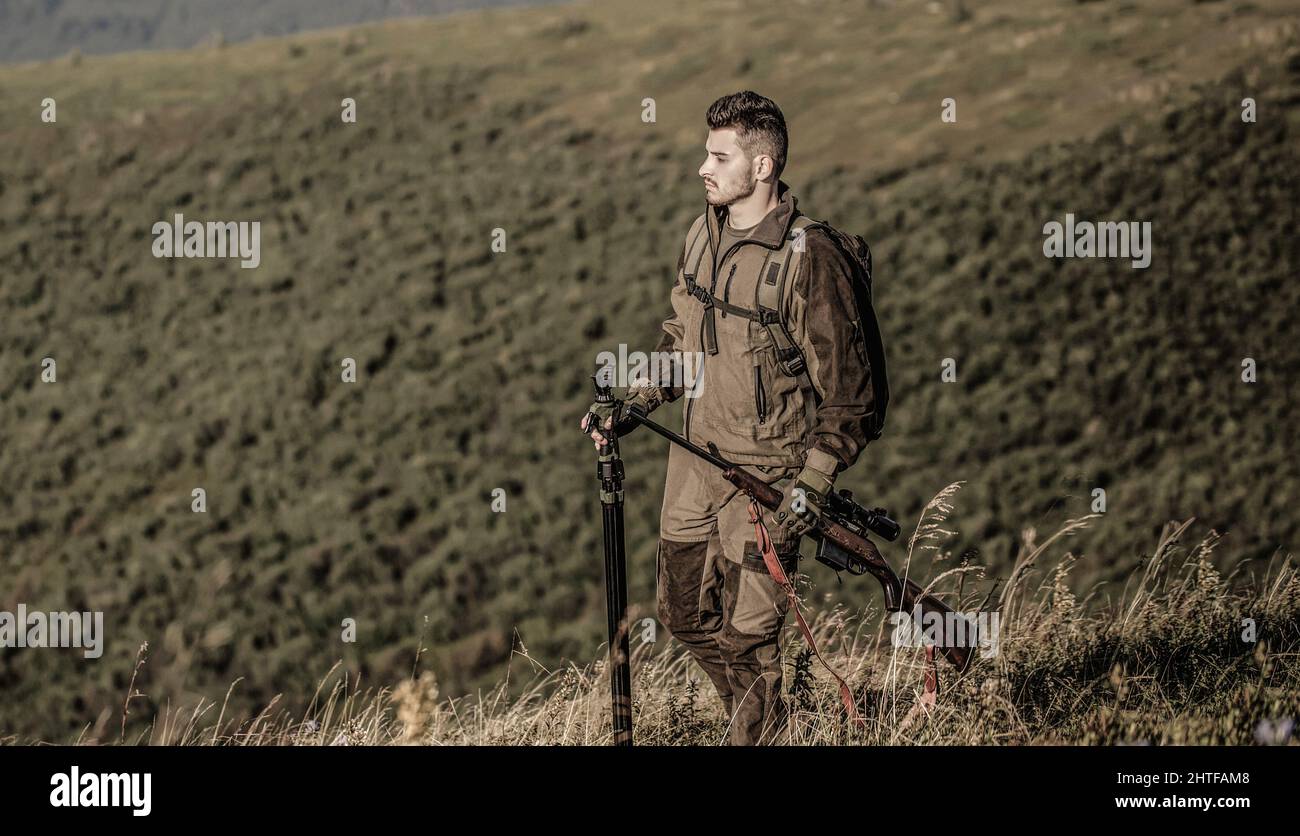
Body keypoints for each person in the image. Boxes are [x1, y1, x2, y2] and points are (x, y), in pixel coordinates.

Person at [581, 91, 880, 745]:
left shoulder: (809, 260)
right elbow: (680, 336)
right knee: (682, 613)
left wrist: (812, 487)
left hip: (769, 477)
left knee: (749, 643)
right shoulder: (702, 233)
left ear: (764, 166)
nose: (702, 168)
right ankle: (764, 716)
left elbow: (853, 399)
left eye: (718, 155)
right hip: (694, 456)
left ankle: (760, 726)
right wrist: (635, 402)